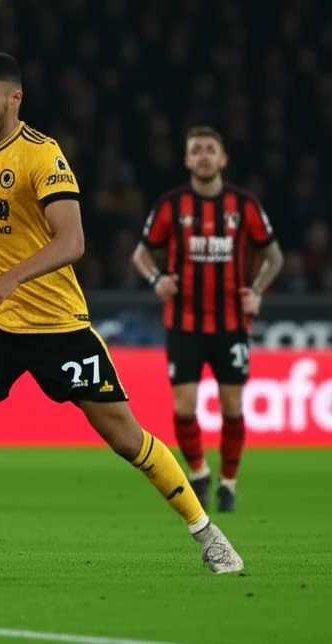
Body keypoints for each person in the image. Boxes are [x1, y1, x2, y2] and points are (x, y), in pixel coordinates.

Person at [0, 53, 244, 574]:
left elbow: (72, 241)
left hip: (56, 324)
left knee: (126, 438)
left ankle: (206, 531)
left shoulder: (41, 155)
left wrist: (9, 278)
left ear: (13, 98)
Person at [132, 127, 284, 512]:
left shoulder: (243, 205)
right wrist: (156, 279)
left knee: (232, 408)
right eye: (195, 150)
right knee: (184, 409)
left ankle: (228, 484)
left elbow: (275, 257)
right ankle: (199, 472)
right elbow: (141, 254)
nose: (202, 156)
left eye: (209, 150)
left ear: (222, 159)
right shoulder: (171, 205)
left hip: (231, 324)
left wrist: (257, 291)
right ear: (186, 160)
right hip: (184, 323)